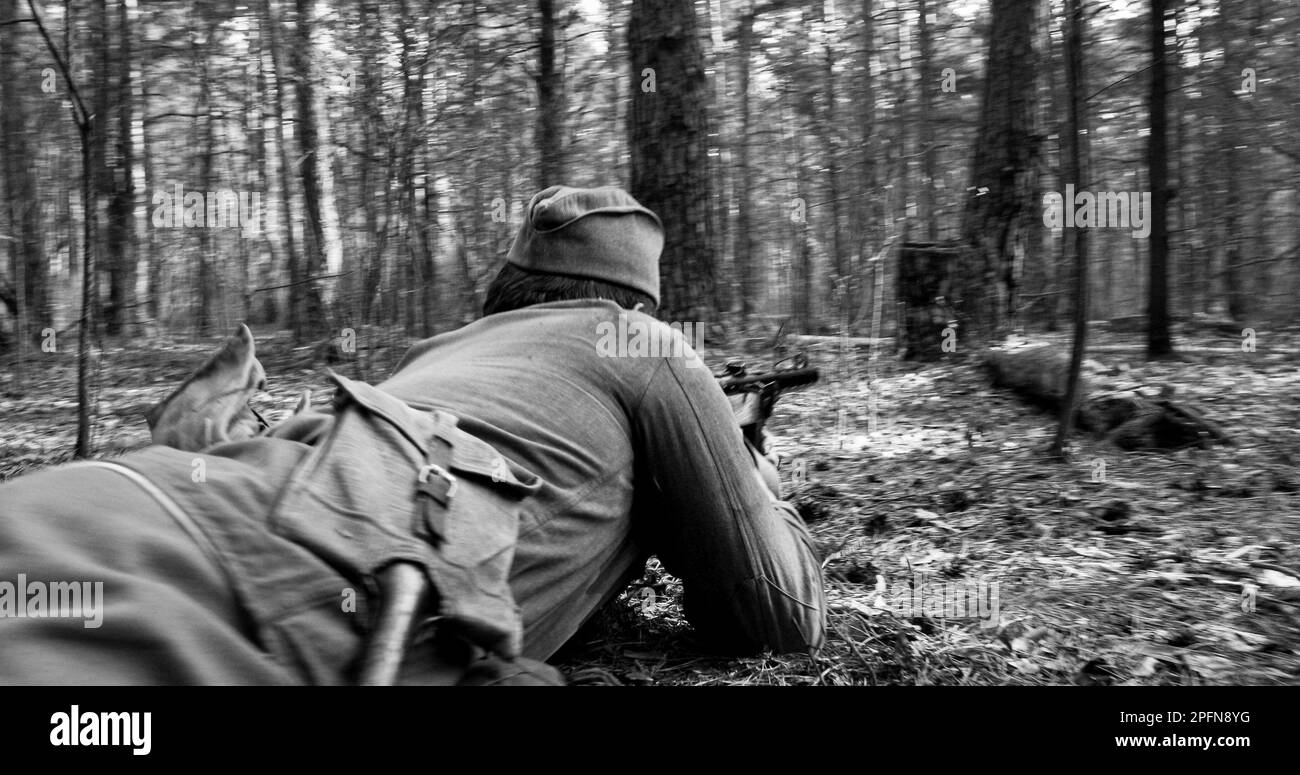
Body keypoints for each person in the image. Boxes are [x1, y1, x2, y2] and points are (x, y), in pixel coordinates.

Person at [0, 185, 826, 685]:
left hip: (120, 500)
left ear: (511, 284)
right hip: (278, 595)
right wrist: (753, 467)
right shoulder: (643, 345)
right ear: (636, 304)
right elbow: (780, 616)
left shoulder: (435, 353)